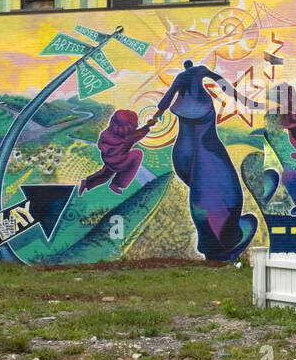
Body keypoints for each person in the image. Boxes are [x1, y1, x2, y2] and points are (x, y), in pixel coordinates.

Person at [154, 59, 261, 260]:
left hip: (183, 154)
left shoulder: (181, 78)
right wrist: (243, 99)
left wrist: (155, 117)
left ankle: (213, 237)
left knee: (203, 185)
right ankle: (219, 237)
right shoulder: (200, 71)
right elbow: (222, 83)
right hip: (204, 146)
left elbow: (166, 99)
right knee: (215, 182)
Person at [79, 109, 156, 195]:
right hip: (119, 162)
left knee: (106, 173)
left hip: (108, 159)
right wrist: (147, 126)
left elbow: (100, 144)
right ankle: (117, 184)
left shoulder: (106, 132)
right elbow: (138, 134)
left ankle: (87, 183)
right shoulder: (127, 137)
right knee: (137, 154)